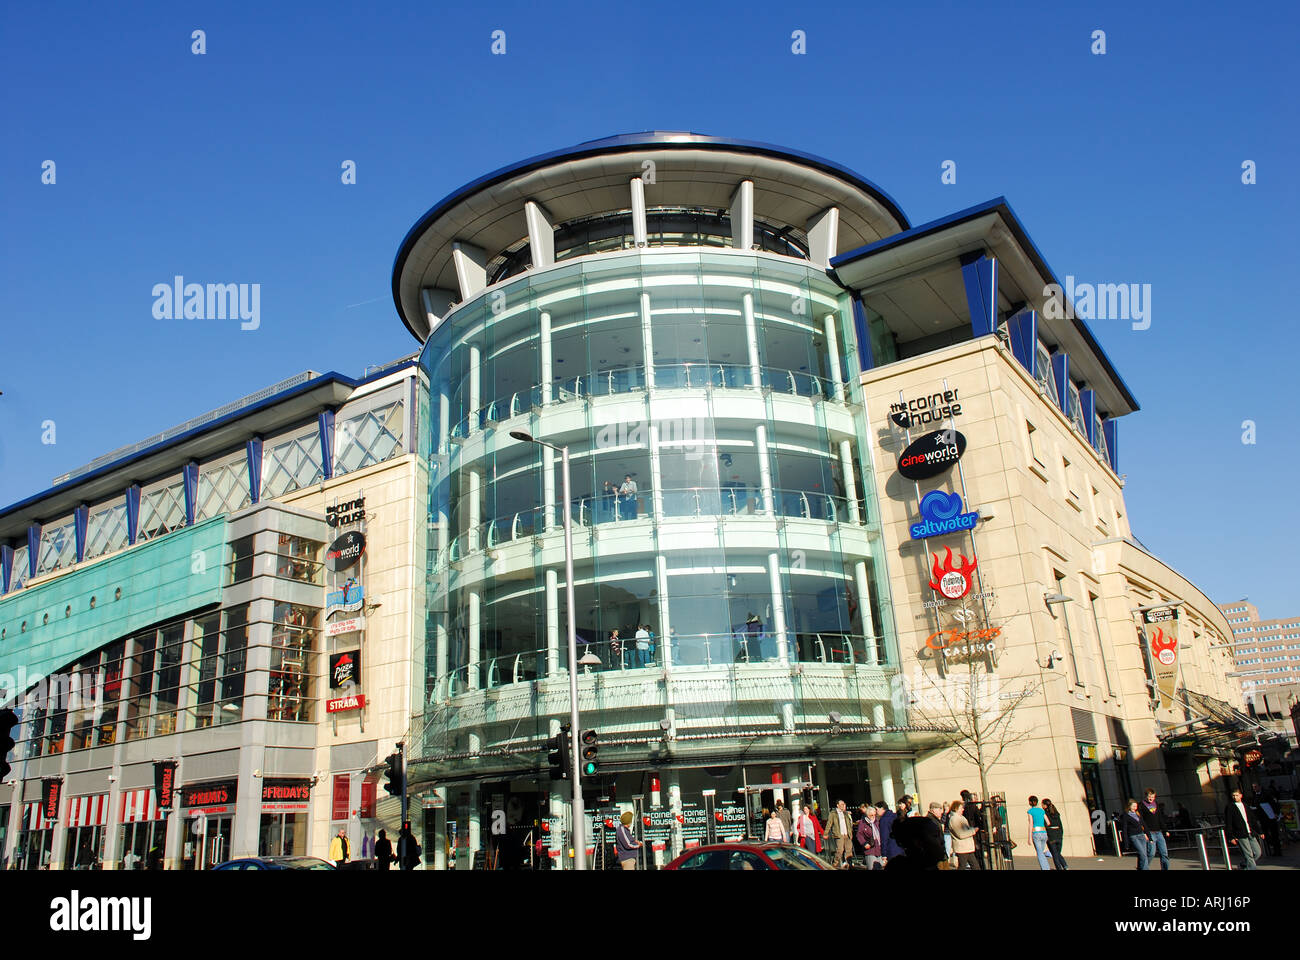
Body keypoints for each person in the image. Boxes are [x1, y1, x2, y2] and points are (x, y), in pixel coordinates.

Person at [1224, 787, 1264, 870]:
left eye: (1237, 795)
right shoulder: (1230, 807)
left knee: (1257, 852)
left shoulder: (1245, 805)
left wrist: (1260, 832)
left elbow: (1253, 820)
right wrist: (1231, 836)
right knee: (1248, 854)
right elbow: (1229, 823)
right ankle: (1251, 868)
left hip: (1250, 832)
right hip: (1240, 834)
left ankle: (1244, 864)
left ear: (1241, 796)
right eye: (1233, 795)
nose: (1235, 797)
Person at [1138, 788, 1170, 870]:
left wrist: (1165, 830)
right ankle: (1143, 867)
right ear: (1146, 796)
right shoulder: (1141, 805)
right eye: (1149, 797)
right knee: (1151, 853)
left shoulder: (1156, 804)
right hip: (1150, 832)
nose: (1151, 798)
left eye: (1153, 797)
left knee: (1164, 853)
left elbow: (1160, 818)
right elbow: (1140, 820)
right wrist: (1144, 832)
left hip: (1158, 832)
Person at [1249, 783, 1281, 856]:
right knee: (1265, 833)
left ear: (1260, 786)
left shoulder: (1267, 794)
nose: (1254, 788)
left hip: (1270, 817)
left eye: (1256, 787)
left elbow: (1274, 803)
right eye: (1253, 787)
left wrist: (1276, 813)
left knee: (1274, 833)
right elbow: (1254, 806)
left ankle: (1277, 850)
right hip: (1262, 818)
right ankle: (1271, 845)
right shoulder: (1255, 796)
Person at [948, 800, 980, 870]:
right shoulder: (954, 819)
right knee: (962, 866)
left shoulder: (962, 818)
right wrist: (973, 831)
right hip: (962, 848)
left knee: (975, 866)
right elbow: (961, 834)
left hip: (968, 847)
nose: (963, 809)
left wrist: (972, 829)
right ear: (956, 808)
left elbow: (966, 829)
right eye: (961, 808)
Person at [960, 789, 986, 869]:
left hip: (970, 831)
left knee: (975, 854)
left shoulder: (965, 807)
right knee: (978, 855)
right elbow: (979, 820)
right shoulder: (972, 806)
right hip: (974, 831)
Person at [1121, 799, 1149, 870]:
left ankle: (1140, 867)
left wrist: (1148, 835)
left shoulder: (1138, 813)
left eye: (1136, 806)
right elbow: (1125, 829)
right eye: (1133, 806)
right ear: (1129, 806)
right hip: (1134, 836)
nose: (1135, 808)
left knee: (1143, 855)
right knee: (1142, 854)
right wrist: (1126, 843)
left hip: (1141, 835)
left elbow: (1144, 824)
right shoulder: (1126, 815)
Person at [1041, 799, 1068, 871]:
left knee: (1055, 854)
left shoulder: (1044, 814)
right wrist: (1061, 834)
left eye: (1042, 804)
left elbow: (1045, 825)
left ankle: (1059, 867)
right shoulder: (1056, 813)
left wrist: (1047, 835)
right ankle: (1065, 866)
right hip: (1058, 835)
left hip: (1051, 835)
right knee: (1058, 853)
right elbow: (1060, 825)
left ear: (1045, 805)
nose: (1041, 805)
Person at [825, 800, 853, 868]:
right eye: (841, 804)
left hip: (847, 834)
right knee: (840, 850)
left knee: (849, 850)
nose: (843, 805)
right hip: (839, 834)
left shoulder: (846, 813)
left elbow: (850, 824)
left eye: (844, 804)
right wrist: (826, 833)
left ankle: (849, 864)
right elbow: (829, 823)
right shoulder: (833, 813)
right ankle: (835, 863)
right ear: (837, 805)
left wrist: (850, 833)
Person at [1026, 796, 1051, 870]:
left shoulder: (1030, 811)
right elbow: (1048, 822)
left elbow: (1031, 824)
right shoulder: (1041, 810)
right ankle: (1046, 867)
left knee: (1039, 853)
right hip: (1043, 832)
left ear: (1030, 802)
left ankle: (1045, 868)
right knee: (1041, 852)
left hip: (1036, 833)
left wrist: (1029, 838)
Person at [858, 805, 884, 869]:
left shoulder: (877, 822)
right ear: (867, 815)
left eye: (874, 815)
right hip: (870, 849)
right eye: (871, 815)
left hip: (879, 849)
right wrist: (864, 843)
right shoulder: (862, 822)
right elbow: (859, 834)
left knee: (880, 867)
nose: (873, 817)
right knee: (872, 867)